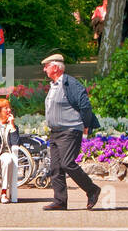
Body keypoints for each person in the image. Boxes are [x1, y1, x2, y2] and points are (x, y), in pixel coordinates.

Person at [40, 53, 102, 210]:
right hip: (55, 132)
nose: (44, 69)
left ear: (55, 67)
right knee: (55, 167)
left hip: (70, 130)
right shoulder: (54, 85)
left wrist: (86, 125)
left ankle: (92, 189)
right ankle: (60, 201)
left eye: (46, 66)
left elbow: (85, 106)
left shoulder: (71, 84)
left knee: (67, 163)